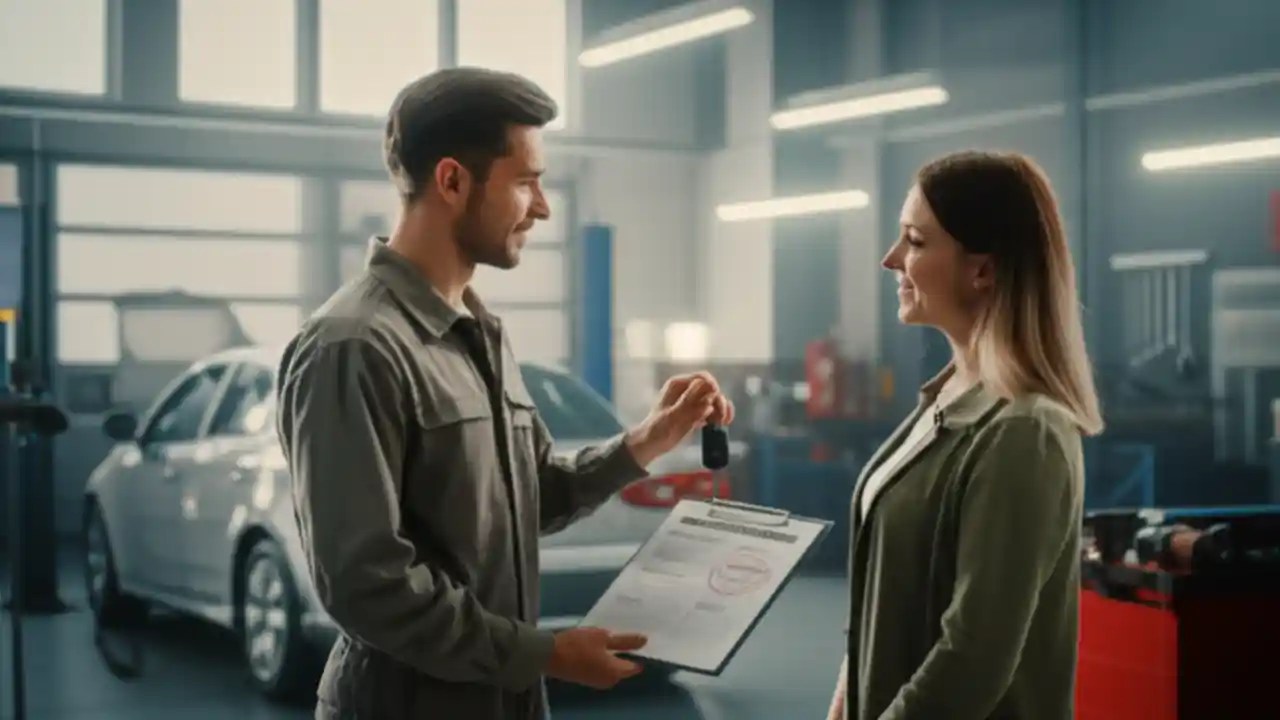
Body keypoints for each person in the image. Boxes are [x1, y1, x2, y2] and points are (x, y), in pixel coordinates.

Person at [275, 67, 734, 720]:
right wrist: (543, 653)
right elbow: (366, 588)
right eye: (526, 182)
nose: (544, 207)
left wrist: (645, 442)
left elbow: (525, 499)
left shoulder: (480, 330)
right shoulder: (352, 346)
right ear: (453, 181)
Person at [826, 151, 1104, 720]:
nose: (890, 259)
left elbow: (971, 659)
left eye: (916, 241)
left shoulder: (1023, 431)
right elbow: (881, 612)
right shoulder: (944, 399)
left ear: (982, 269)